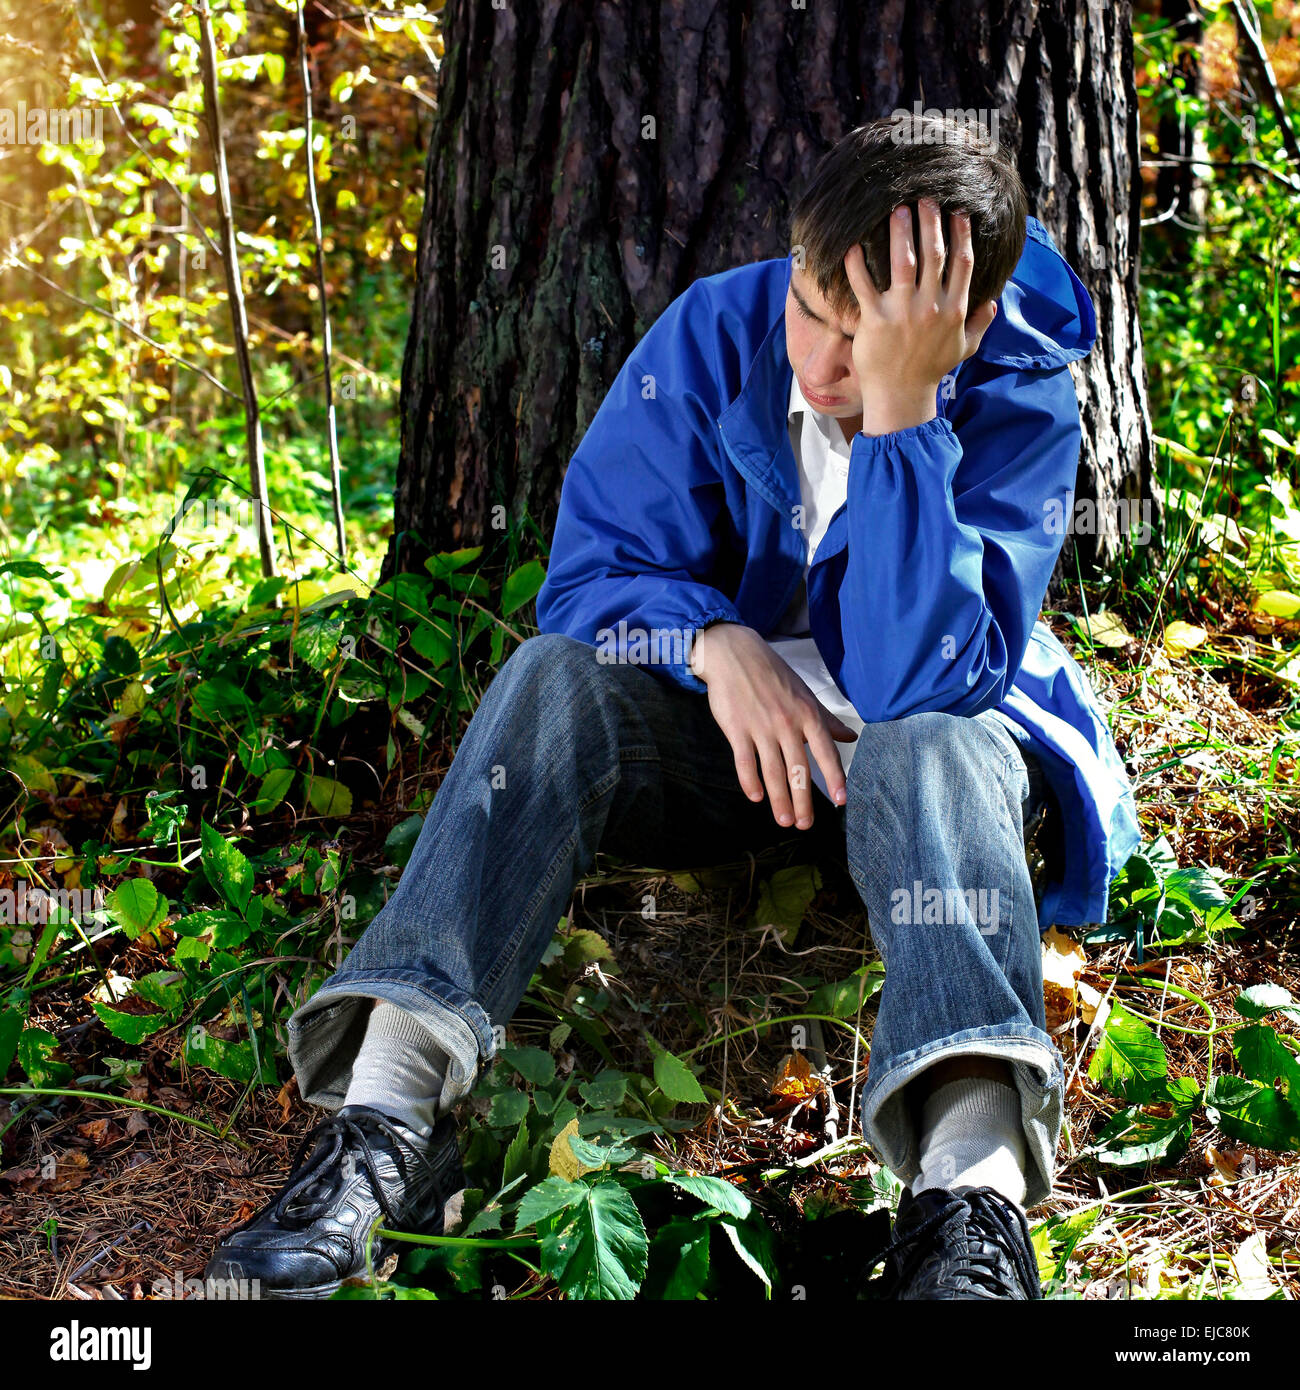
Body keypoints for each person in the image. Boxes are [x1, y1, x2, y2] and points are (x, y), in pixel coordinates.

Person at [205, 115, 1140, 1301]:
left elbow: (924, 675)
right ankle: (388, 1123)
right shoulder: (711, 333)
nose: (819, 368)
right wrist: (711, 640)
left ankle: (968, 1191)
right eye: (811, 309)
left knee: (936, 736)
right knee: (552, 677)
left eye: (869, 344)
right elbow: (587, 581)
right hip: (723, 763)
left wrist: (903, 425)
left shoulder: (1016, 396)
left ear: (965, 325)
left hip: (918, 783)